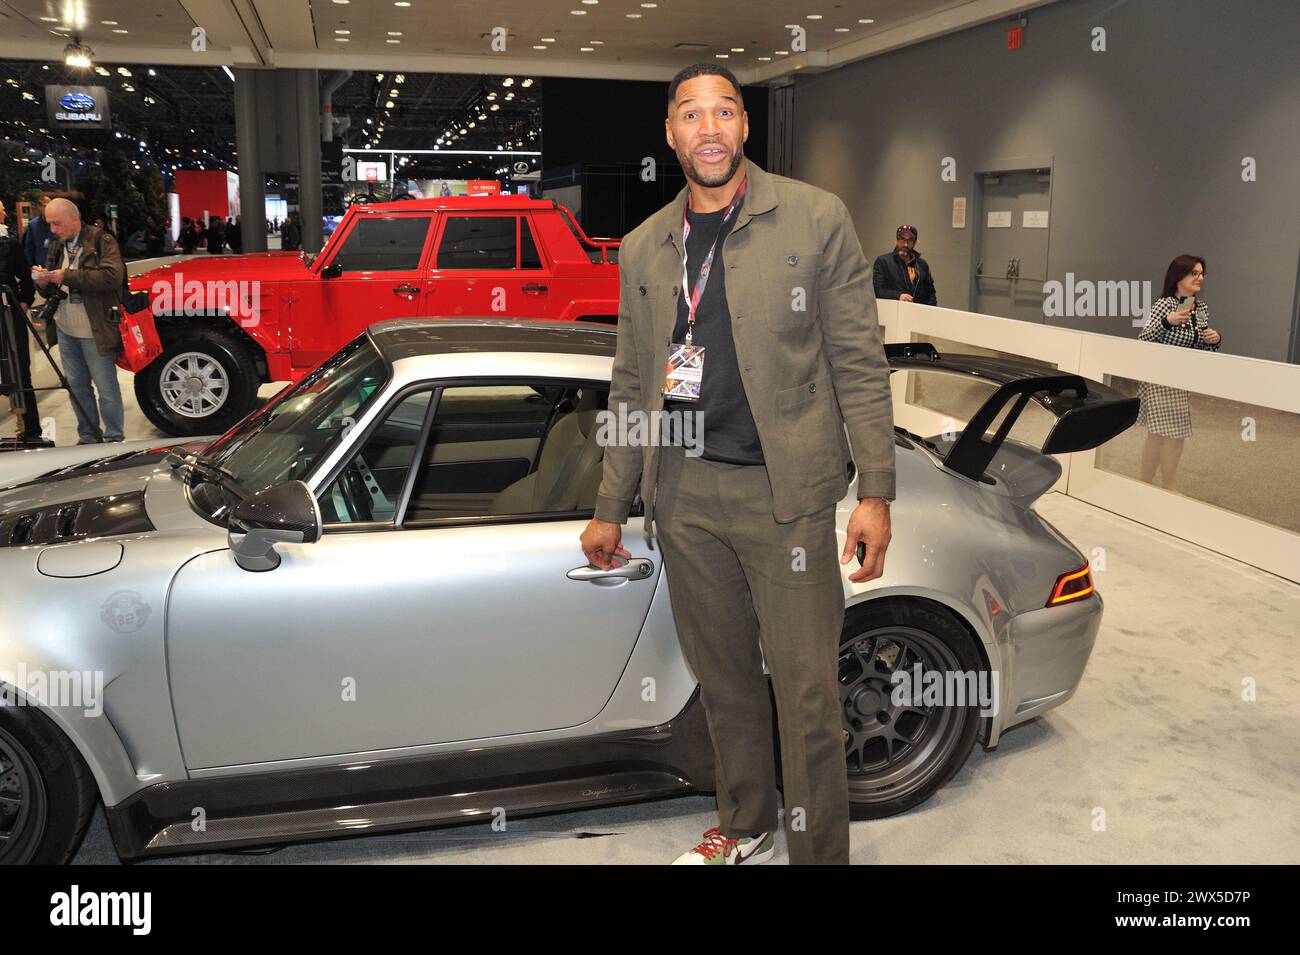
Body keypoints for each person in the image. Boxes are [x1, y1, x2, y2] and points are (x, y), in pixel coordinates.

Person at [579, 64, 896, 866]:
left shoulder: (816, 218)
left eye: (725, 111)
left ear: (745, 127)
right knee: (724, 681)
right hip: (682, 494)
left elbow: (858, 361)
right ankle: (746, 817)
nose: (709, 127)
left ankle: (818, 852)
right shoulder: (648, 245)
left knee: (808, 692)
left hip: (782, 496)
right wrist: (612, 502)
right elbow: (631, 376)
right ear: (670, 133)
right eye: (692, 114)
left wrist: (877, 490)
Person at [31, 198, 126, 444]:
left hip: (95, 329)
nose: (52, 229)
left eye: (57, 223)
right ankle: (88, 437)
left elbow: (112, 277)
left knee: (106, 389)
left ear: (74, 218)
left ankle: (114, 438)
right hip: (65, 329)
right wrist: (44, 282)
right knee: (77, 388)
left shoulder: (101, 240)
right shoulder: (56, 245)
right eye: (49, 224)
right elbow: (50, 291)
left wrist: (67, 275)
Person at [1135, 255, 1221, 491]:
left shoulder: (1200, 308)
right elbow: (1143, 339)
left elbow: (1201, 345)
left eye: (1202, 273)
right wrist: (1167, 322)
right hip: (1160, 377)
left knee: (1166, 434)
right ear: (1178, 276)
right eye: (1194, 273)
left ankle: (1155, 483)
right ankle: (1161, 484)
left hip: (1181, 379)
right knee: (1165, 434)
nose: (1200, 278)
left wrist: (1214, 340)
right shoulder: (1163, 305)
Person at [0, 198, 40, 437]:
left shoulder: (11, 243)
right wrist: (23, 301)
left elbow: (26, 280)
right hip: (10, 315)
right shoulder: (11, 243)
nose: (5, 215)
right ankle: (30, 428)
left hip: (10, 315)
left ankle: (30, 428)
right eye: (2, 211)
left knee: (20, 371)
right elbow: (26, 279)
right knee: (20, 371)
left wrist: (22, 303)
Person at [872, 225, 937, 305]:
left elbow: (930, 293)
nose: (905, 244)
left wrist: (931, 312)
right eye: (902, 239)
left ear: (915, 242)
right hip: (894, 311)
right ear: (896, 240)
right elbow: (877, 291)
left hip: (919, 312)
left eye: (910, 240)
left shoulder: (922, 264)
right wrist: (898, 296)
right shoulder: (883, 261)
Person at [22, 194, 55, 272]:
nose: (47, 208)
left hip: (57, 266)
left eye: (49, 206)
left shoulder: (57, 222)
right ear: (39, 208)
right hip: (40, 267)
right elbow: (29, 249)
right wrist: (30, 268)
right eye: (44, 206)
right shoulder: (32, 225)